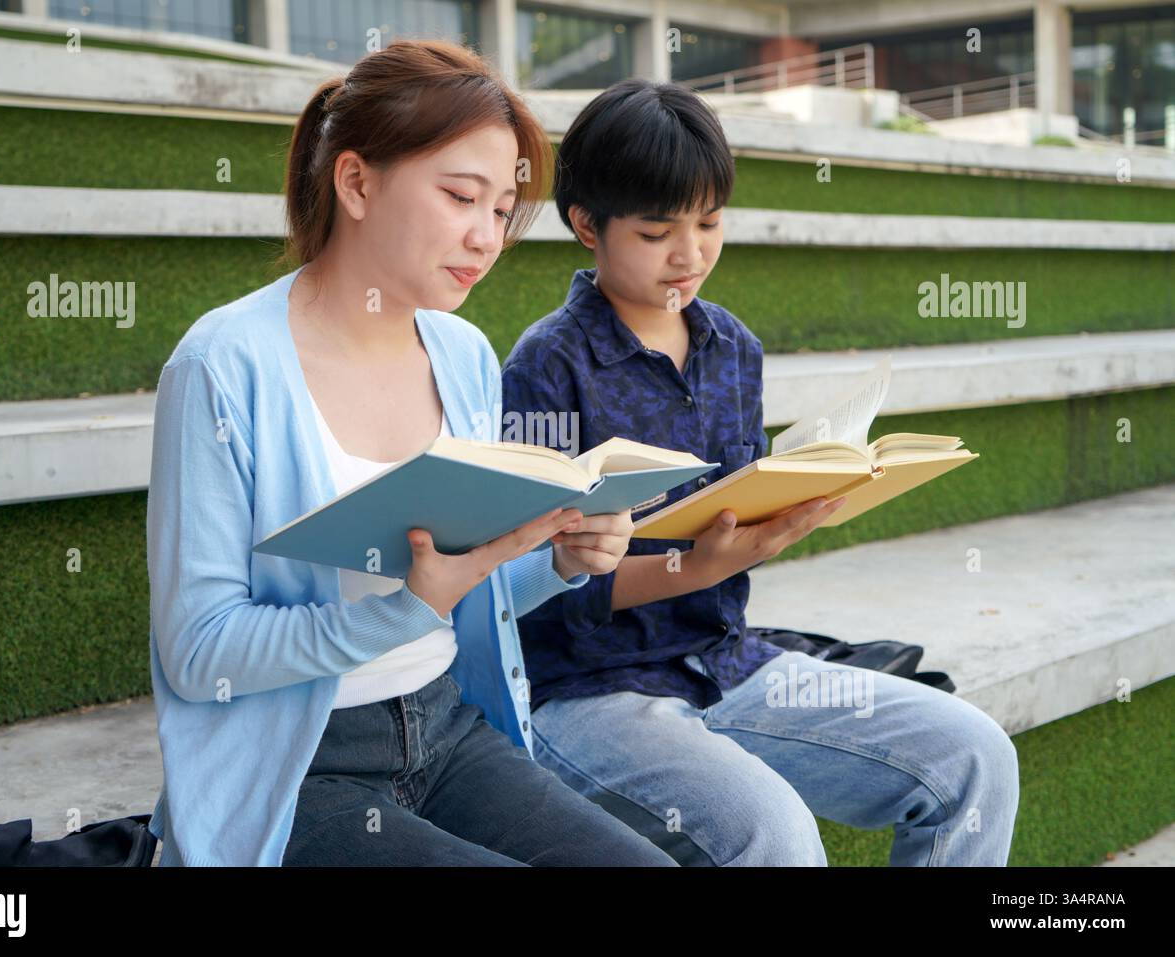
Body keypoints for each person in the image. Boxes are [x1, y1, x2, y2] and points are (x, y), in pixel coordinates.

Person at [144, 42, 674, 867]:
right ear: (355, 182)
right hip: (297, 765)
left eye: (502, 209)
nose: (486, 235)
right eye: (461, 196)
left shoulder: (462, 352)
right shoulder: (224, 365)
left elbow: (466, 583)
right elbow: (199, 651)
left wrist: (566, 559)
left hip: (445, 727)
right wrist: (404, 607)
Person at [500, 78, 1020, 866]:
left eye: (710, 223)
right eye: (656, 231)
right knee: (773, 835)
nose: (691, 253)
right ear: (586, 225)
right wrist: (696, 565)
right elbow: (530, 584)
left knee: (975, 757)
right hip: (590, 691)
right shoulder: (546, 362)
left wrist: (798, 504)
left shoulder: (731, 347)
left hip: (727, 661)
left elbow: (733, 499)